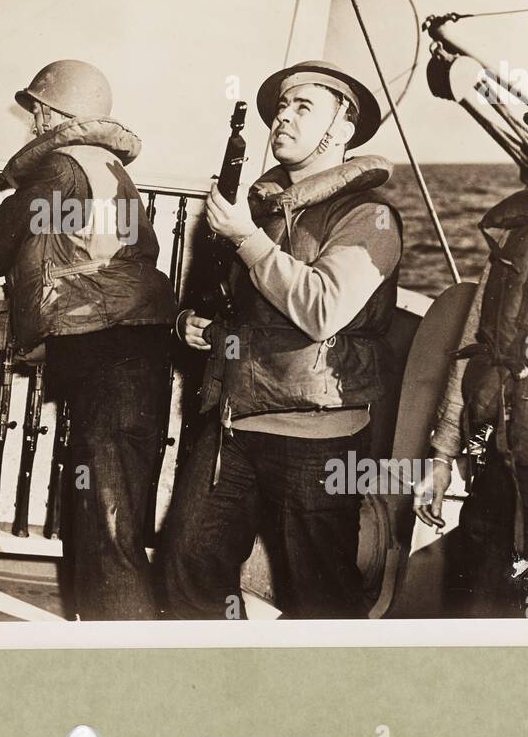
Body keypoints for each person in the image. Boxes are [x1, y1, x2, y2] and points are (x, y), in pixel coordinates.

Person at [161, 61, 402, 620]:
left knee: (321, 598)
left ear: (341, 129)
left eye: (303, 107)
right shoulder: (261, 212)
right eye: (280, 108)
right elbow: (231, 304)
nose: (282, 119)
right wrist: (191, 327)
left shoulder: (371, 217)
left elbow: (321, 309)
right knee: (187, 570)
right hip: (232, 424)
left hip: (316, 437)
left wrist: (245, 239)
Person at [0, 60, 176, 620]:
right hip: (125, 345)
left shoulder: (61, 165)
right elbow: (95, 261)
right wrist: (20, 297)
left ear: (55, 115)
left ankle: (124, 662)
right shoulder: (105, 169)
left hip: (111, 352)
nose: (31, 122)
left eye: (36, 110)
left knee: (108, 519)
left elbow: (4, 233)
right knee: (105, 506)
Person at [416, 80, 528, 618]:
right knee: (474, 607)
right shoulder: (517, 233)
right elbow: (477, 347)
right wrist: (441, 456)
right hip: (495, 467)